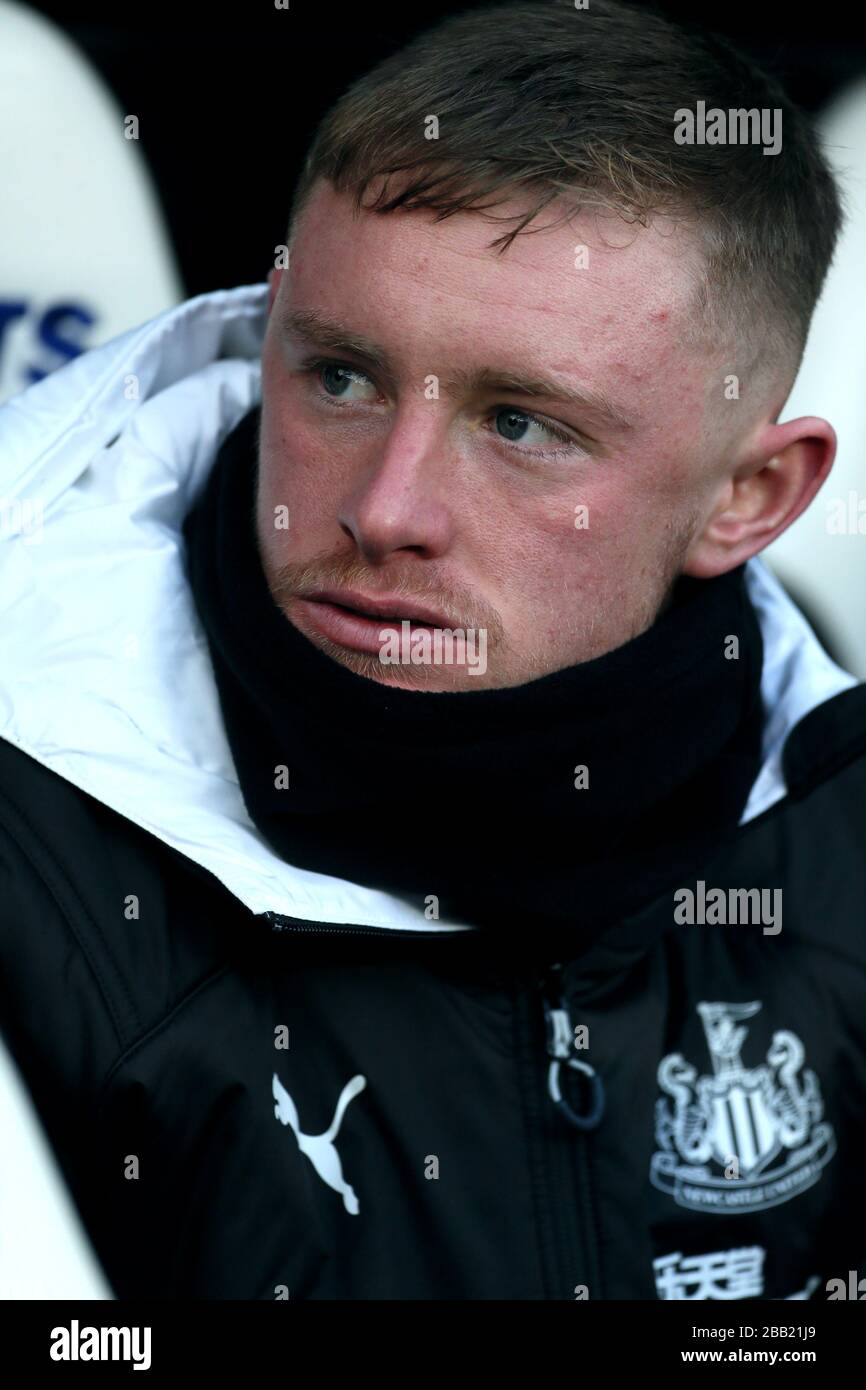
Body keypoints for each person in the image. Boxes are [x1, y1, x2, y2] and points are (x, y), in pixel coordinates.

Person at [0, 0, 864, 1302]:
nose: (383, 509)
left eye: (520, 423)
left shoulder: (836, 840)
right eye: (339, 378)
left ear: (747, 498)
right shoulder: (28, 860)